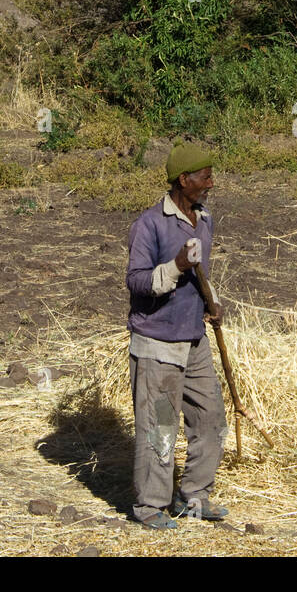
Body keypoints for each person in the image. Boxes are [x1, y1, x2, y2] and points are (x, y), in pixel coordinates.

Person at [124, 141, 228, 529]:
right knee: (160, 427)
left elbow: (203, 278)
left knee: (211, 418)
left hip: (194, 341)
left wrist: (210, 302)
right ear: (183, 180)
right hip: (157, 345)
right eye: (204, 176)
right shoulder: (149, 224)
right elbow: (135, 282)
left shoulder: (205, 220)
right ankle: (151, 506)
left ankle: (193, 496)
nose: (211, 183)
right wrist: (177, 265)